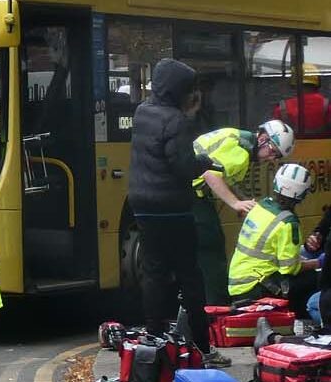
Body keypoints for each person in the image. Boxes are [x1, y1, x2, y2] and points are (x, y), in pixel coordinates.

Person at [127, 59, 217, 354]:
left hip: (142, 205)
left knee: (154, 272)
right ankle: (202, 345)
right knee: (190, 275)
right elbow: (182, 166)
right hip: (173, 208)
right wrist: (204, 163)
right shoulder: (176, 120)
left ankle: (153, 340)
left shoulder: (142, 112)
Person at [190, 118, 293, 314]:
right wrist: (235, 203)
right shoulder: (241, 151)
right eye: (272, 150)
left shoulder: (238, 140)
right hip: (189, 195)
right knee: (212, 248)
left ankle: (202, 304)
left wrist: (243, 201)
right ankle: (217, 308)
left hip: (183, 191)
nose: (271, 158)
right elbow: (211, 175)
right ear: (262, 138)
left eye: (276, 156)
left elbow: (225, 176)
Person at [228, 163, 316, 311]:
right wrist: (318, 263)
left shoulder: (260, 206)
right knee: (313, 278)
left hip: (237, 284)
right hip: (256, 288)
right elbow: (289, 269)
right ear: (302, 194)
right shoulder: (288, 223)